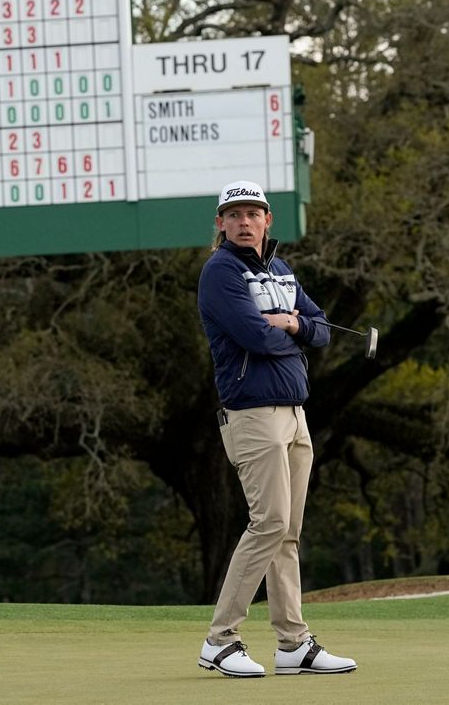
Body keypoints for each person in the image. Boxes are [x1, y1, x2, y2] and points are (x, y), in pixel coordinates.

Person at [194, 180, 357, 678]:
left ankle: (293, 643)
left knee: (287, 532)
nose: (244, 221)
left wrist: (293, 325)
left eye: (254, 212)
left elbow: (322, 327)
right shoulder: (219, 272)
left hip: (294, 413)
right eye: (234, 214)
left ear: (269, 221)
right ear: (220, 224)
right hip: (252, 415)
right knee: (268, 524)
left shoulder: (281, 270)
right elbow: (254, 337)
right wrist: (291, 328)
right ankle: (220, 640)